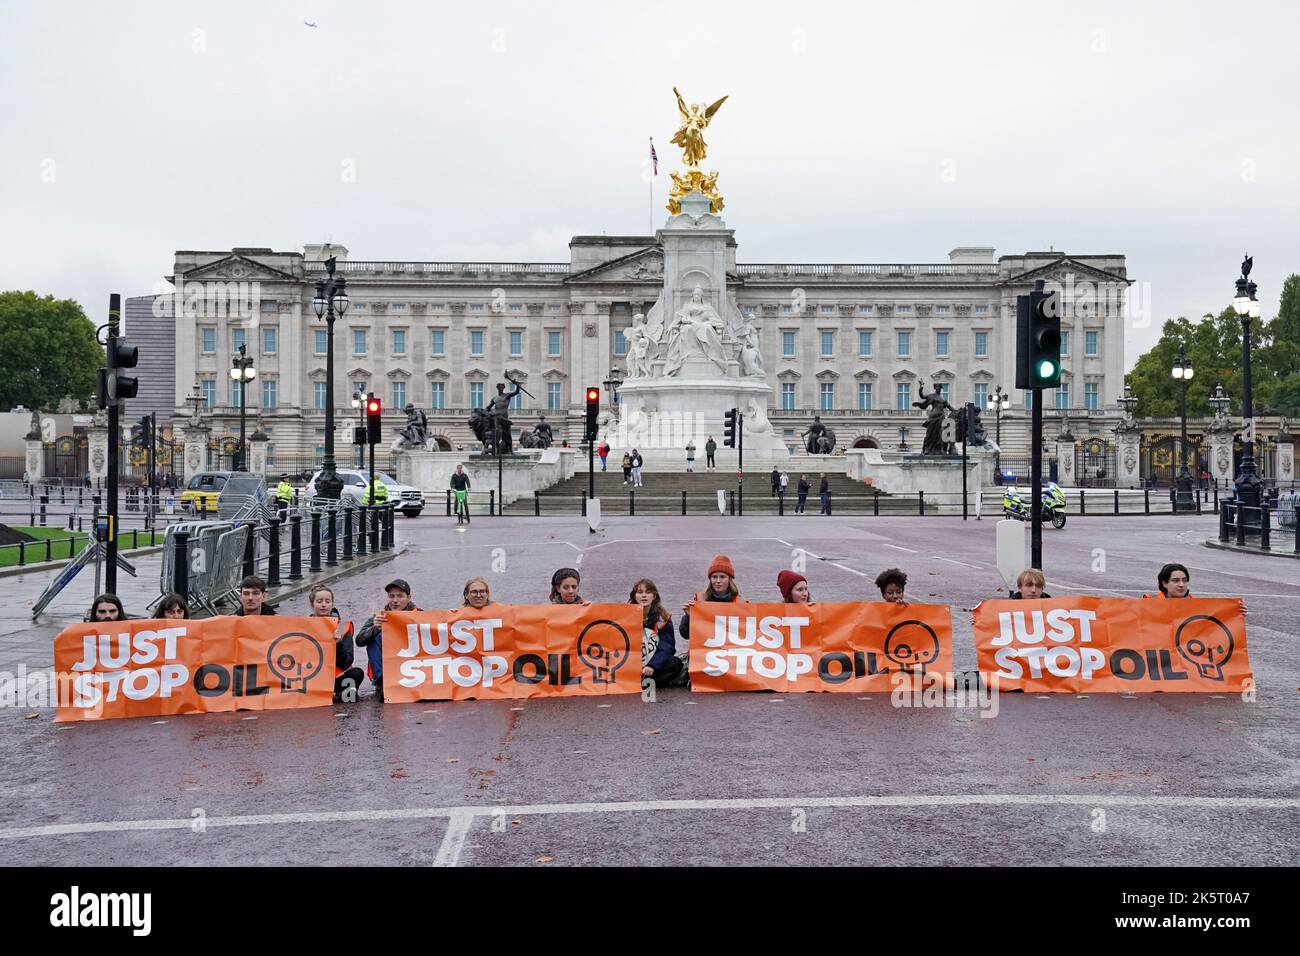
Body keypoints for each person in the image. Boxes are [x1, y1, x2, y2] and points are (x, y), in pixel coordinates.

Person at [354, 579, 417, 699]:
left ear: (409, 597)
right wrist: (375, 628)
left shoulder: (420, 615)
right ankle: (381, 682)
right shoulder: (379, 617)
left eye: (400, 596)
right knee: (374, 637)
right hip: (388, 665)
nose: (395, 601)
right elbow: (359, 641)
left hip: (411, 662)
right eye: (391, 596)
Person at [309, 585, 365, 703]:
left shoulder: (342, 628)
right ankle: (335, 695)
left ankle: (333, 694)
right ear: (312, 604)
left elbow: (347, 662)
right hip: (311, 676)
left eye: (327, 601)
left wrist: (338, 644)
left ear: (332, 604)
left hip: (335, 676)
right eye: (319, 601)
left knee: (356, 673)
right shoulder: (302, 627)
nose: (324, 605)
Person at [631, 578, 685, 686]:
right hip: (632, 660)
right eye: (640, 592)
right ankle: (648, 681)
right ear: (634, 596)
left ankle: (641, 681)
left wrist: (652, 665)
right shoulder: (625, 615)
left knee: (676, 663)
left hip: (653, 662)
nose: (644, 596)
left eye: (648, 592)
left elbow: (667, 646)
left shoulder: (663, 618)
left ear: (654, 596)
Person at [679, 554, 742, 643]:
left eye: (722, 577)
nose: (718, 581)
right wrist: (689, 617)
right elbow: (685, 634)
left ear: (729, 579)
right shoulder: (700, 600)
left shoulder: (741, 603)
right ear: (710, 579)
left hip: (730, 650)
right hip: (704, 651)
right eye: (714, 577)